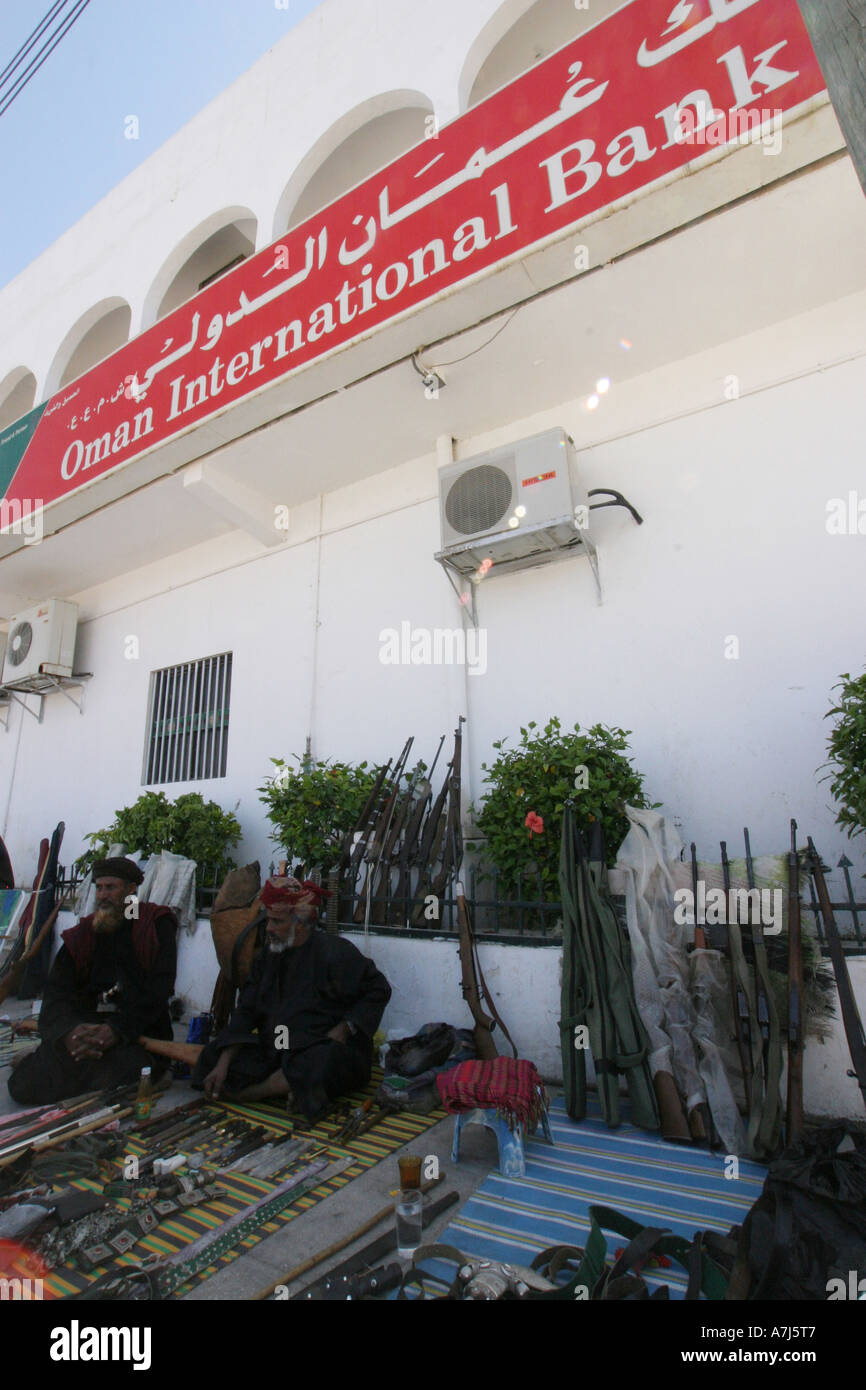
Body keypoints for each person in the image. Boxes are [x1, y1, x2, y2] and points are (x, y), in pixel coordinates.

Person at [193, 876, 391, 1121]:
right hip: (279, 1047)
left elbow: (378, 989)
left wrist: (346, 1027)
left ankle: (252, 1093)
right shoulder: (267, 958)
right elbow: (246, 1011)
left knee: (319, 1063)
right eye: (268, 921)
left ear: (300, 924)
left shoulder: (335, 953)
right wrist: (224, 1062)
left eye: (277, 922)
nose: (268, 929)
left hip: (320, 1046)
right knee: (211, 1056)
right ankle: (290, 1087)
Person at [7, 857, 178, 1105]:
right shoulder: (84, 933)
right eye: (99, 888)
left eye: (111, 887)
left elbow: (158, 992)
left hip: (131, 1035)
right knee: (24, 1085)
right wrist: (70, 1033)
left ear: (131, 890)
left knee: (124, 1074)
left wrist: (116, 1030)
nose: (103, 895)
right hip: (83, 1035)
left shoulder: (154, 925)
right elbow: (57, 994)